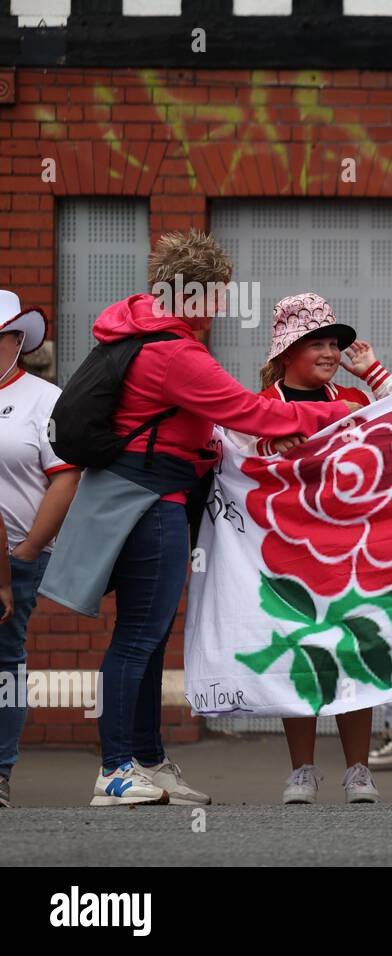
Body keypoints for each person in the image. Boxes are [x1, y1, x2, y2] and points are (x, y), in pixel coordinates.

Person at [39, 230, 358, 807]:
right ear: (199, 295)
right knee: (139, 639)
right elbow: (249, 411)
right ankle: (115, 770)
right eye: (218, 296)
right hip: (152, 497)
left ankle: (148, 761)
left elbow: (198, 421)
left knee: (148, 637)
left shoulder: (137, 332)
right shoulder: (174, 352)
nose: (221, 308)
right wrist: (334, 419)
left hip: (134, 493)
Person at [228, 292, 392, 804]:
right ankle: (302, 769)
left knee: (354, 651)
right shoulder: (257, 410)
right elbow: (230, 463)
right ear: (285, 353)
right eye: (315, 343)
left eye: (333, 343)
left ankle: (358, 770)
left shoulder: (355, 402)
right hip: (286, 555)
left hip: (352, 552)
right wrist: (266, 447)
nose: (329, 352)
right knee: (301, 656)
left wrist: (373, 372)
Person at [0, 294, 80, 808]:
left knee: (5, 662)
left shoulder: (44, 399)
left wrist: (28, 550)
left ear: (15, 340)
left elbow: (65, 477)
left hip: (13, 556)